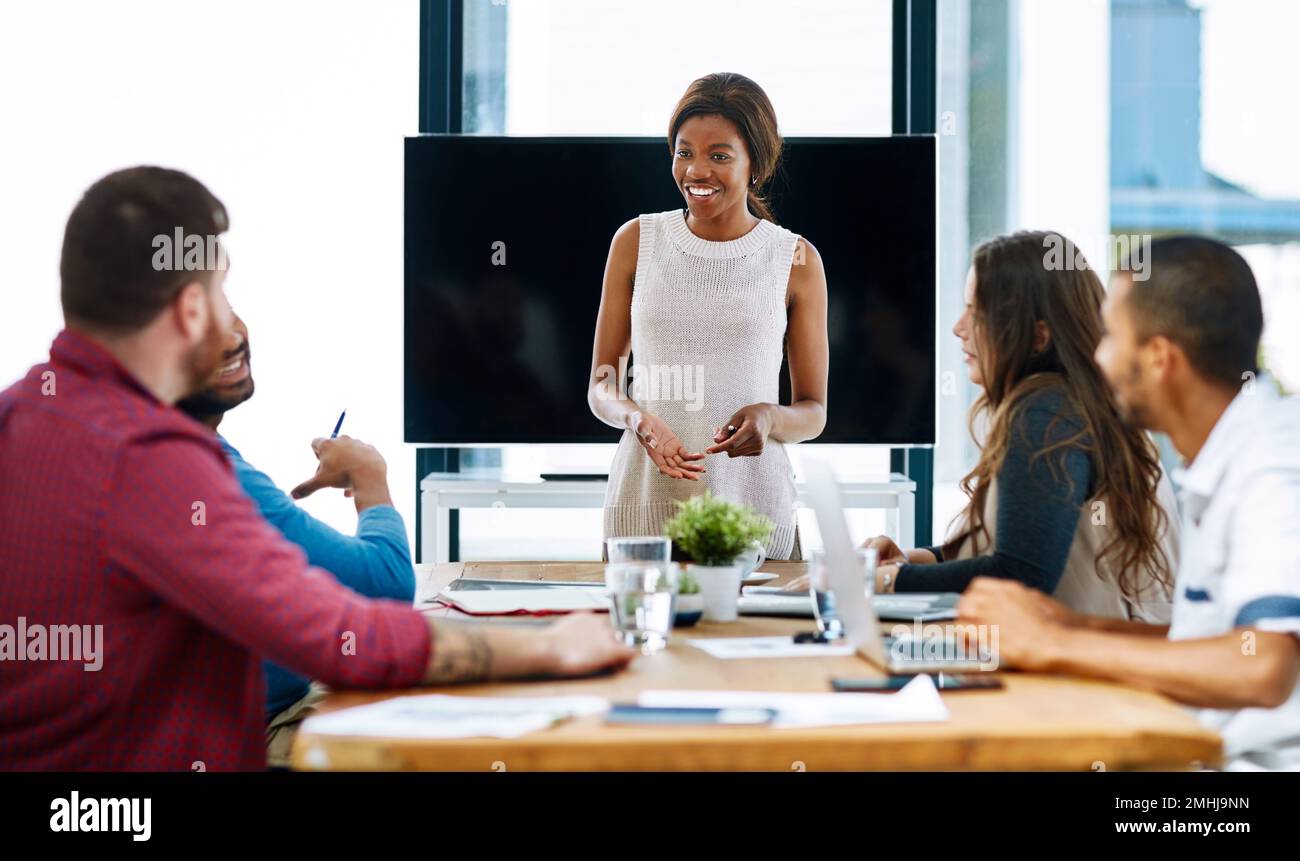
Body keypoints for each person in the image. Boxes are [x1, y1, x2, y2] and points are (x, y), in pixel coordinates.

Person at [0, 166, 634, 770]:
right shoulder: (149, 459)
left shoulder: (19, 416)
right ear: (192, 311)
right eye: (221, 289)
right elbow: (339, 635)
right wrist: (551, 644)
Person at [959, 236, 1300, 771]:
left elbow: (1262, 668)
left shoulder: (1272, 471)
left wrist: (1053, 643)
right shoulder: (1228, 456)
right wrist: (1074, 627)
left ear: (1159, 358)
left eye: (1112, 337)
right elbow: (1205, 642)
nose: (1096, 356)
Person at [796, 231, 1179, 621]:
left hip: (1089, 671)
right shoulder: (1076, 402)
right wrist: (922, 561)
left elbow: (1021, 574)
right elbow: (1029, 539)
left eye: (976, 312)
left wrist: (884, 581)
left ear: (1038, 336)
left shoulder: (1045, 412)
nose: (959, 328)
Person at [588, 72, 829, 561]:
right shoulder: (635, 242)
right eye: (684, 152)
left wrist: (769, 415)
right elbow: (602, 384)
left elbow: (813, 411)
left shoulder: (795, 259)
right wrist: (639, 420)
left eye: (719, 155)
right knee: (642, 636)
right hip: (644, 509)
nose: (697, 171)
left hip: (753, 514)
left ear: (755, 163)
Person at [176, 312, 416, 766]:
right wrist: (369, 478)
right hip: (249, 733)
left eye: (222, 304)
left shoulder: (195, 451)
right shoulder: (203, 469)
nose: (229, 334)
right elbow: (387, 585)